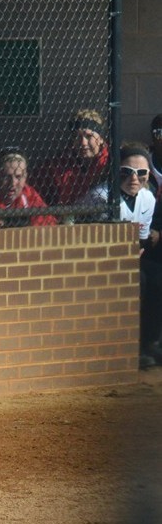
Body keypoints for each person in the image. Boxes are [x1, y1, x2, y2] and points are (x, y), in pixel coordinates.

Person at [84, 144, 161, 368]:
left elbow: (142, 238)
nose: (134, 179)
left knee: (157, 277)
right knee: (139, 281)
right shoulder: (101, 196)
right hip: (100, 259)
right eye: (126, 172)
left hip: (130, 256)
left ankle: (149, 342)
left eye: (141, 173)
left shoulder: (148, 198)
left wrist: (136, 249)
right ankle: (129, 348)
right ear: (115, 172)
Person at [45, 109, 109, 206]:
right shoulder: (59, 165)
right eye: (77, 136)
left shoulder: (110, 162)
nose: (83, 143)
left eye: (89, 136)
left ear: (100, 139)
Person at [0, 147, 58, 228]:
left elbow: (48, 226)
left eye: (18, 176)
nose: (13, 183)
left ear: (25, 177)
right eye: (6, 177)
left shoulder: (30, 194)